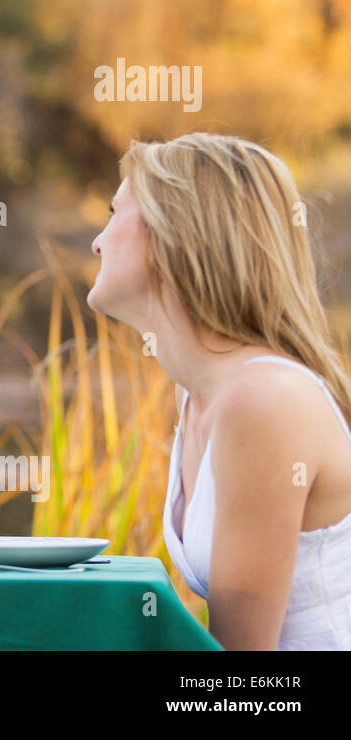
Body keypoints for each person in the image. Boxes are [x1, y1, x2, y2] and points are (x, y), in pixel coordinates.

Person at [88, 132, 351, 649]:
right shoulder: (199, 395)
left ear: (172, 233)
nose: (97, 242)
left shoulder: (263, 401)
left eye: (115, 213)